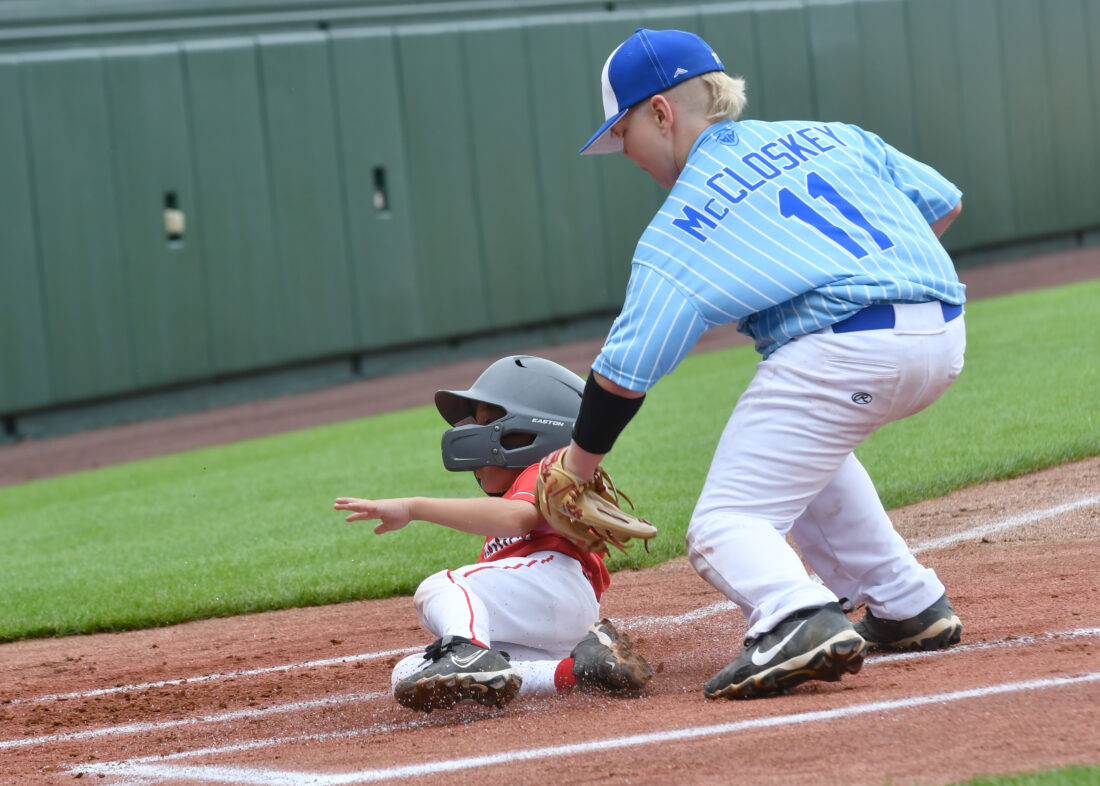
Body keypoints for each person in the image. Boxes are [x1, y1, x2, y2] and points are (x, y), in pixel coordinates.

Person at [564, 28, 966, 700]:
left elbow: (626, 369)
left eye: (623, 131)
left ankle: (795, 615)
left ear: (661, 112)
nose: (624, 151)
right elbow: (943, 202)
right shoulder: (830, 135)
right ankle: (906, 602)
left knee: (723, 525)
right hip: (944, 330)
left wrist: (576, 466)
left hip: (843, 352)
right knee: (800, 458)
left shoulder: (685, 219)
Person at [334, 355, 652, 712]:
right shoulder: (516, 500)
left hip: (555, 583)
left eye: (489, 422)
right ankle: (580, 670)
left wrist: (412, 508)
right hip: (558, 618)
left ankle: (467, 652)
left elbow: (518, 518)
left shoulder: (544, 473)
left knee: (442, 586)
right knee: (409, 671)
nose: (477, 434)